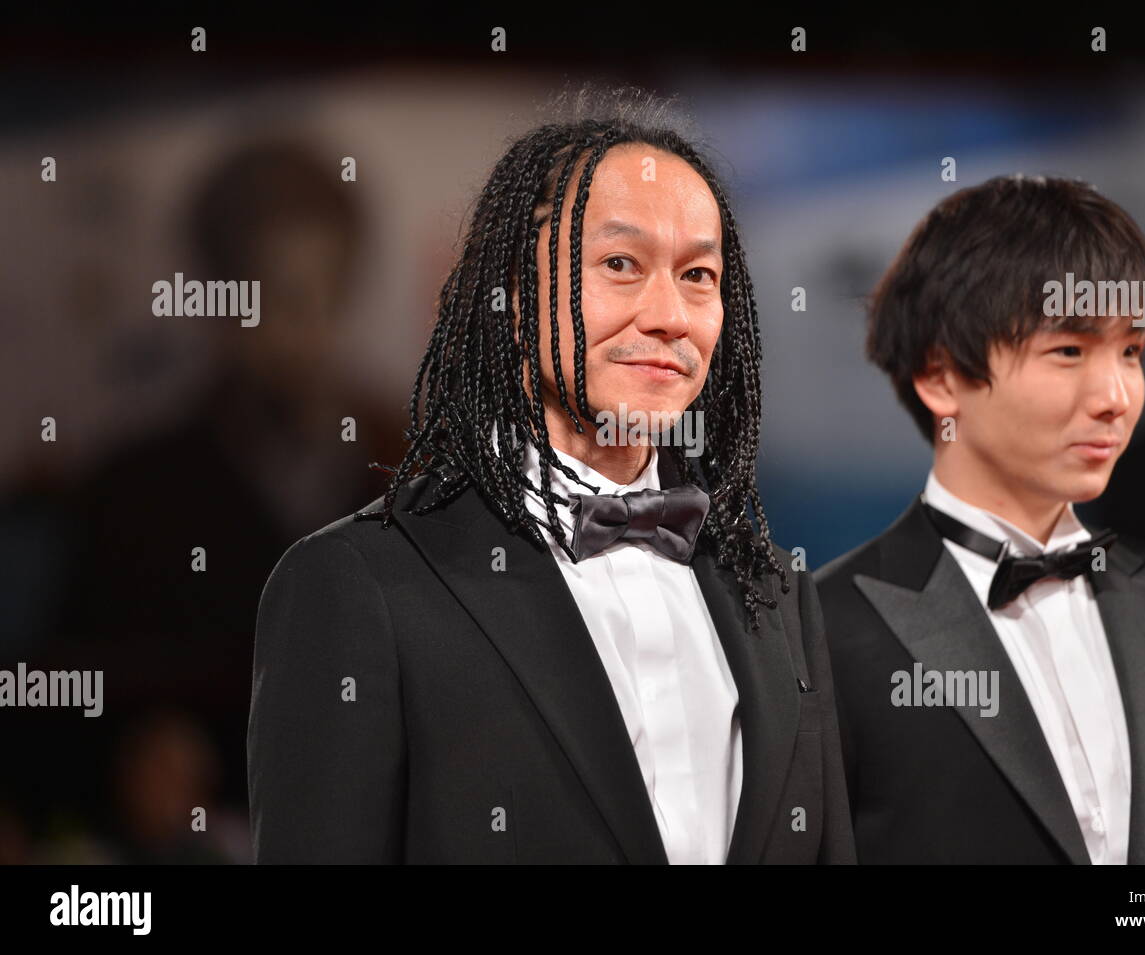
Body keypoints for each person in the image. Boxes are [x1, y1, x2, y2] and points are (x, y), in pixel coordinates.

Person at [247, 89, 854, 864]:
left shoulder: (778, 596)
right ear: (510, 293)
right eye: (621, 264)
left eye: (699, 275)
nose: (670, 313)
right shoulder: (360, 584)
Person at [815, 174, 1145, 864]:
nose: (1115, 396)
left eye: (1131, 351)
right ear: (942, 376)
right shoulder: (822, 631)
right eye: (1069, 350)